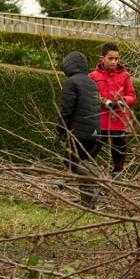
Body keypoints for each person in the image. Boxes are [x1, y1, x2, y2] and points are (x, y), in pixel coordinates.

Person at [57, 51, 102, 207]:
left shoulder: (71, 83)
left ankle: (95, 186)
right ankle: (88, 203)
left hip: (80, 134)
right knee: (81, 162)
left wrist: (61, 129)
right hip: (96, 134)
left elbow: (66, 110)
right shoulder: (92, 83)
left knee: (72, 164)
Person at [89, 43, 138, 177]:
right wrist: (102, 101)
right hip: (100, 119)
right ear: (102, 58)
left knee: (119, 150)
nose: (114, 62)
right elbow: (90, 95)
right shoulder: (93, 76)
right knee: (93, 148)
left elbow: (133, 97)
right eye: (110, 58)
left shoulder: (125, 76)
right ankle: (83, 171)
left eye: (116, 59)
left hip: (119, 120)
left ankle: (118, 175)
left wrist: (121, 102)